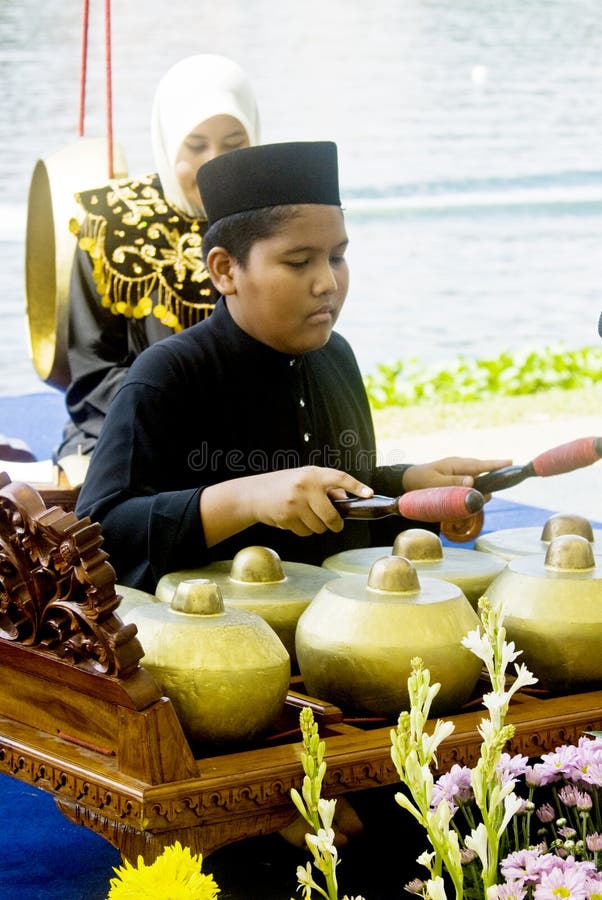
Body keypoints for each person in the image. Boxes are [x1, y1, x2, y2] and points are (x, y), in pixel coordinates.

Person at [75, 140, 510, 592]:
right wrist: (245, 499)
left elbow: (335, 502)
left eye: (337, 257)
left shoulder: (335, 356)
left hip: (339, 620)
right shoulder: (168, 375)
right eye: (299, 262)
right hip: (217, 632)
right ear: (224, 270)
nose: (328, 282)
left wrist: (408, 487)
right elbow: (99, 534)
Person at [56, 54, 260, 460]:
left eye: (234, 144)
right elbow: (93, 371)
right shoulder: (113, 225)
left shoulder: (274, 220)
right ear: (167, 143)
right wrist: (184, 418)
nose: (214, 162)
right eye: (196, 146)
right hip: (132, 429)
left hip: (253, 431)